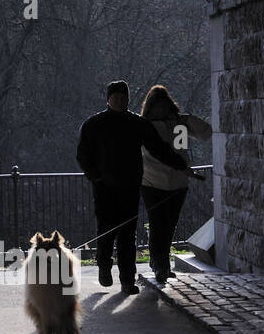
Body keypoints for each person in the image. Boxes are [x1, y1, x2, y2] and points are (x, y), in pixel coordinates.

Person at [76, 80, 191, 293]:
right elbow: (83, 155)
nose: (120, 100)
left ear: (127, 99)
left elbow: (158, 149)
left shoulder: (137, 124)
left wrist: (180, 166)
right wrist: (96, 177)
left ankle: (127, 280)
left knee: (128, 233)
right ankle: (104, 266)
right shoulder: (94, 125)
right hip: (105, 188)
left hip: (129, 186)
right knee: (106, 230)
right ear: (108, 98)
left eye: (123, 97)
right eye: (116, 96)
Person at [140, 84, 211, 284]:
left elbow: (206, 133)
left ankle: (161, 264)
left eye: (165, 106)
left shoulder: (179, 125)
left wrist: (187, 119)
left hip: (178, 183)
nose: (161, 111)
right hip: (152, 183)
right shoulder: (146, 127)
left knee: (169, 225)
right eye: (157, 107)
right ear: (150, 108)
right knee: (158, 225)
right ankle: (159, 264)